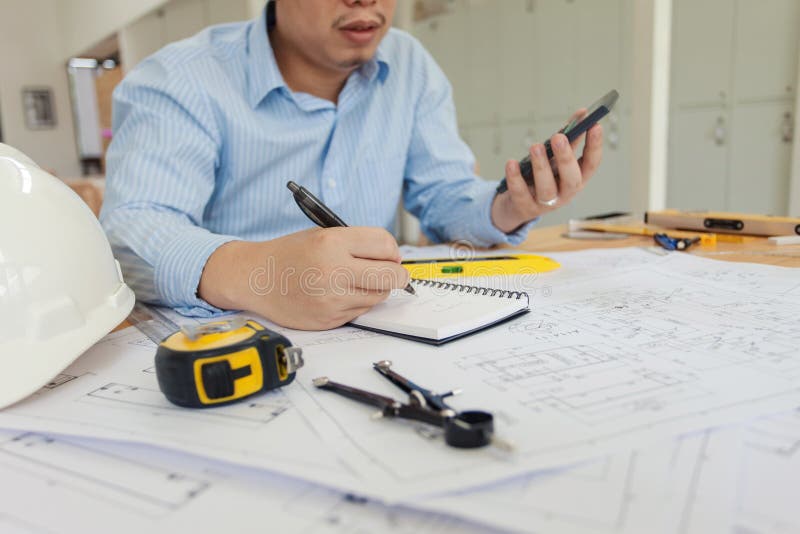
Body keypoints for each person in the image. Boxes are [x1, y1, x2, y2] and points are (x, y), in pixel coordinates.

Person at [101, 0, 603, 330]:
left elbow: (444, 195)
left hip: (380, 327)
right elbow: (130, 232)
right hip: (232, 336)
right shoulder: (181, 78)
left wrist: (508, 208)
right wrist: (256, 272)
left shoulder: (409, 63)